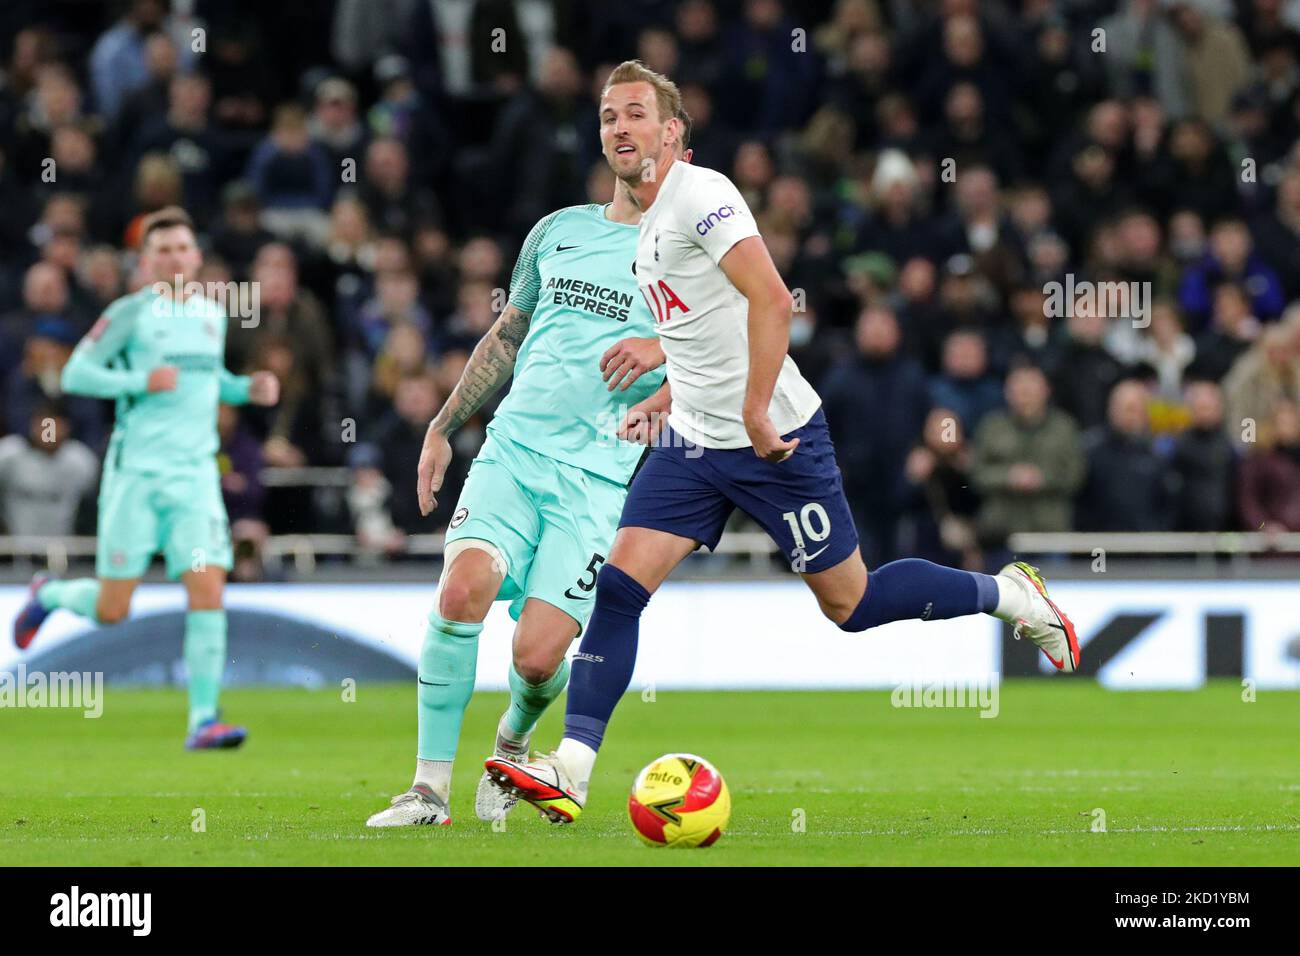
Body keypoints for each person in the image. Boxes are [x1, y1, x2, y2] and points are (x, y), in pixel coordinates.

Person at [486, 61, 1080, 825]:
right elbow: (707, 327)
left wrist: (760, 412)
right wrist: (665, 391)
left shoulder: (704, 197)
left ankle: (1011, 596)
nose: (620, 129)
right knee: (621, 588)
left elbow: (770, 297)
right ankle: (572, 767)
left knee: (851, 605)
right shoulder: (645, 228)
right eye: (608, 117)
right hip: (695, 442)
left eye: (636, 114)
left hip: (778, 438)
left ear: (672, 132)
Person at [362, 122, 692, 829]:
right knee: (459, 590)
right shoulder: (555, 231)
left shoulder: (692, 259)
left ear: (680, 157)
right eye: (613, 122)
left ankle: (513, 741)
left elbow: (727, 354)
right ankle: (427, 791)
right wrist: (443, 426)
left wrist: (662, 361)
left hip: (598, 481)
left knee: (538, 658)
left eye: (648, 131)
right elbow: (507, 333)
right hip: (514, 450)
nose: (627, 139)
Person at [10, 206, 280, 750]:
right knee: (114, 609)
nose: (176, 257)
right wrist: (139, 378)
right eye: (164, 250)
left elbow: (209, 381)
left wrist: (244, 390)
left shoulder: (213, 314)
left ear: (197, 256)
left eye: (183, 247)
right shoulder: (131, 314)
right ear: (147, 261)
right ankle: (52, 592)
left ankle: (204, 718)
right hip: (136, 475)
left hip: (195, 476)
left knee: (208, 588)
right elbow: (76, 372)